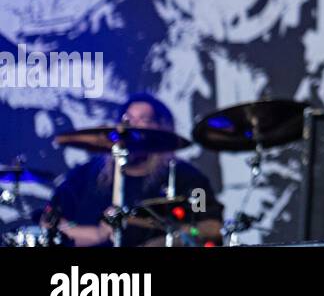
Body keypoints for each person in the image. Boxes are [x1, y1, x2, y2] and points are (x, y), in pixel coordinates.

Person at [44, 93, 221, 247]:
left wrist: (171, 238)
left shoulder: (188, 177)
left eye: (143, 120)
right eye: (128, 120)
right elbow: (50, 222)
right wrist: (96, 234)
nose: (132, 127)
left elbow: (212, 226)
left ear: (160, 128)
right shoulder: (85, 175)